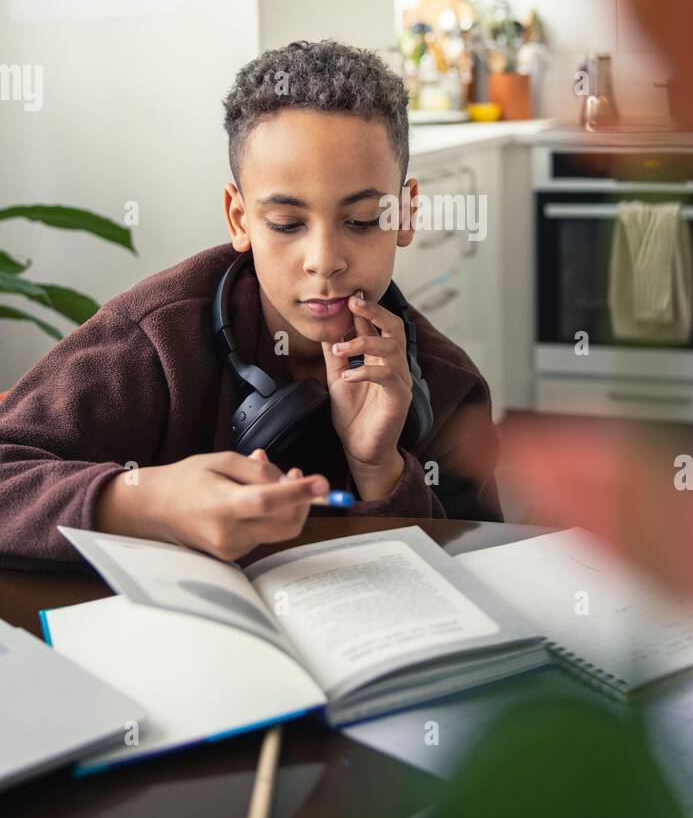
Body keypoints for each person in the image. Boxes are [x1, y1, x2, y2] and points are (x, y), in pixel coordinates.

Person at [0, 40, 502, 572]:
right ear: (239, 219)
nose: (324, 261)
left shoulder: (450, 386)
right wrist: (143, 499)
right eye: (286, 225)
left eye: (361, 221)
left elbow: (484, 566)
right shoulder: (156, 339)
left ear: (405, 214)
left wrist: (381, 469)